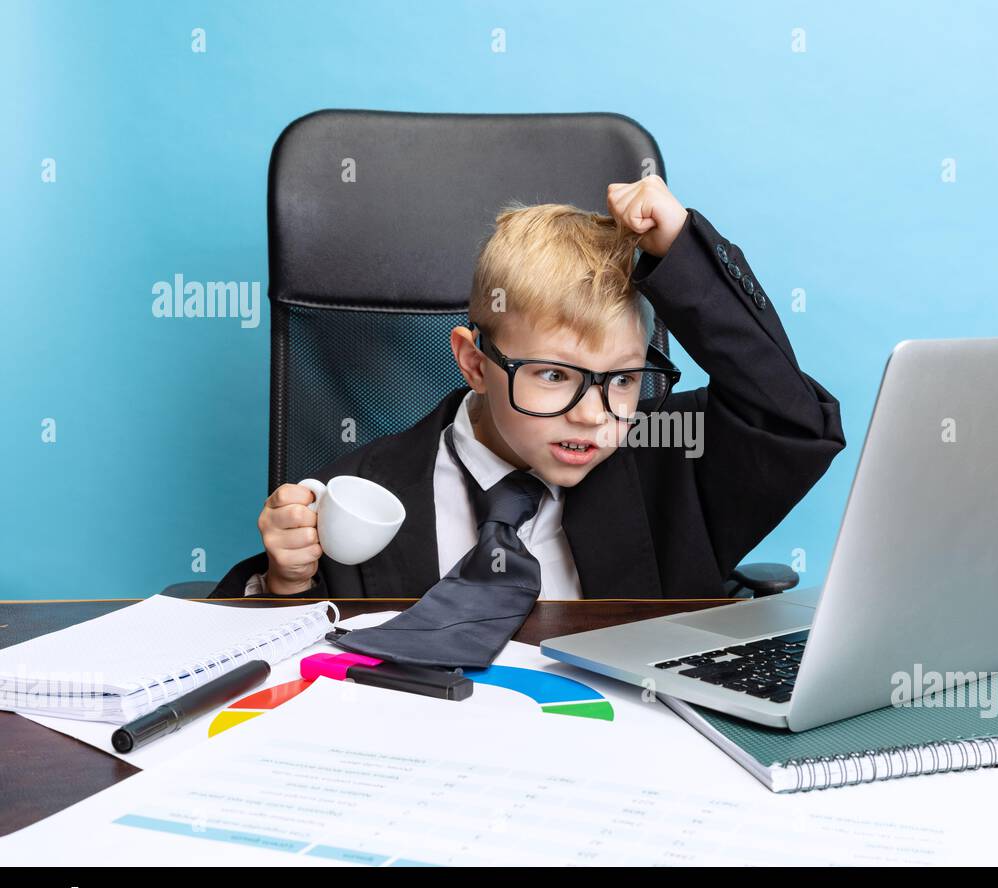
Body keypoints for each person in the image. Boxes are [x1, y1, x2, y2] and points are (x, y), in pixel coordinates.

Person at [207, 175, 844, 601]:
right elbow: (293, 673)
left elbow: (789, 419)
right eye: (554, 375)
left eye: (623, 380)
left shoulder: (674, 465)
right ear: (473, 362)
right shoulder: (356, 494)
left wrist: (682, 254)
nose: (594, 416)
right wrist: (285, 583)